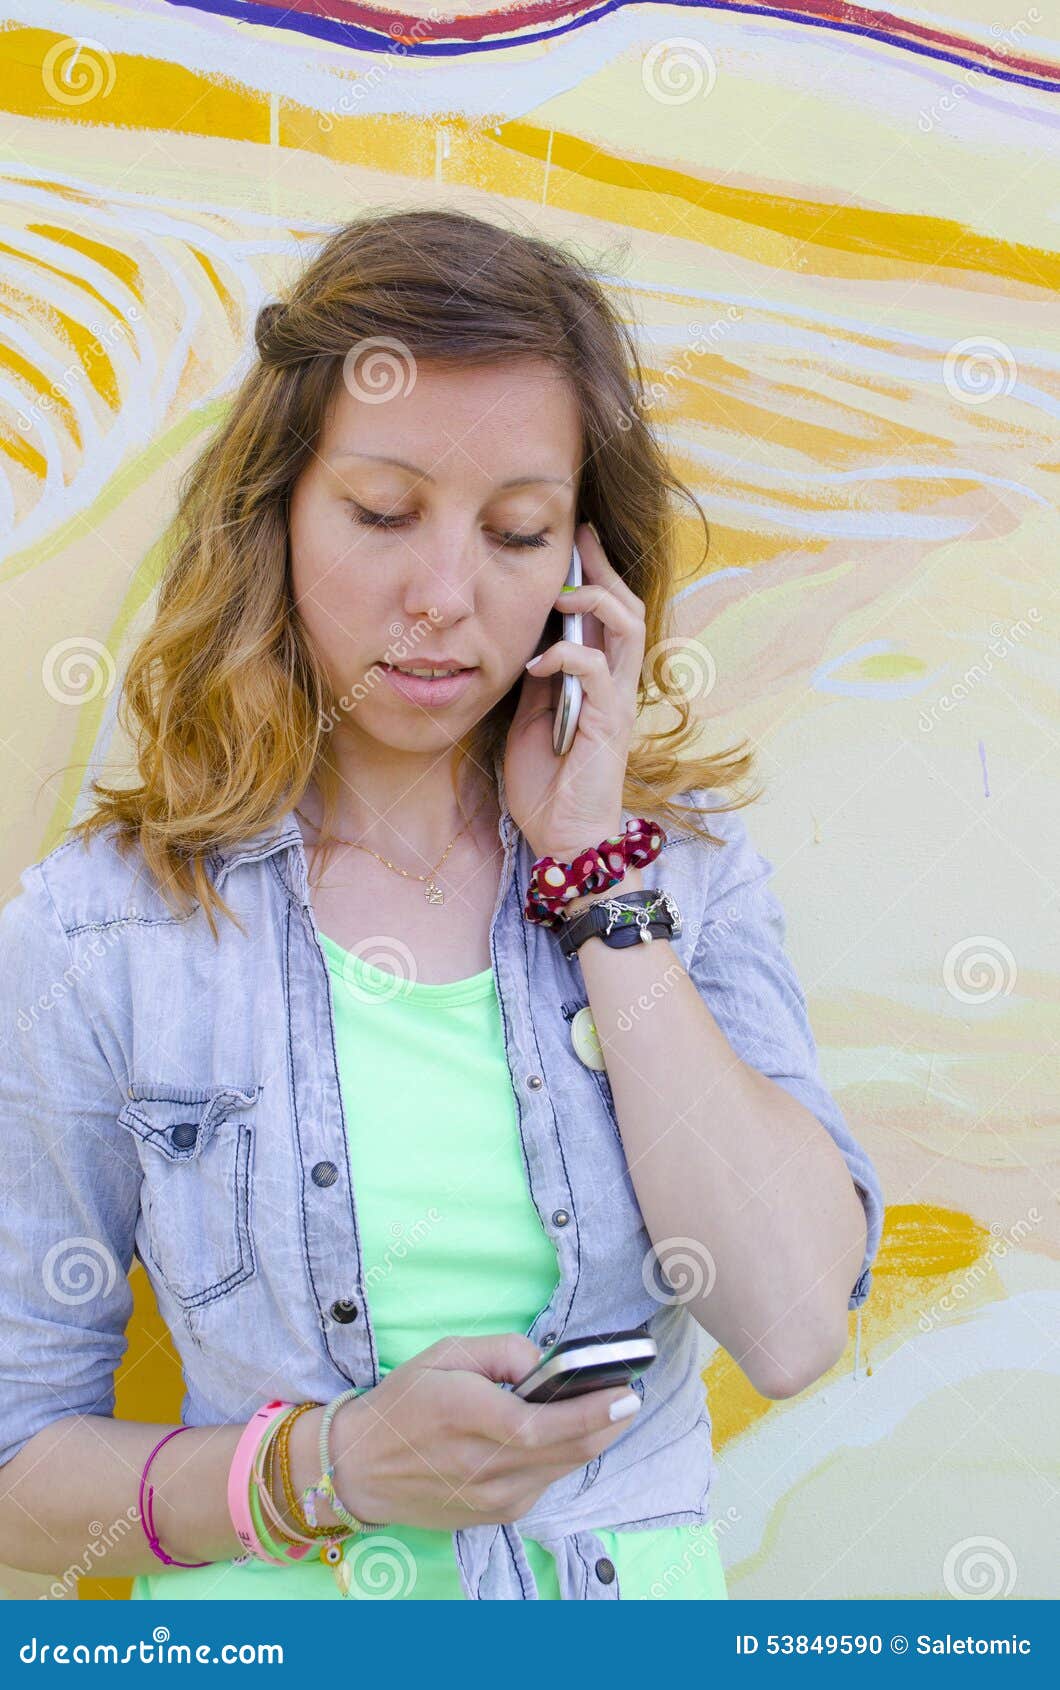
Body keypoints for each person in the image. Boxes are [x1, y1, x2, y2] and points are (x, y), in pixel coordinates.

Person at [0, 208, 883, 1600]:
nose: (445, 596)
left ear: (585, 572)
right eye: (383, 513)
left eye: (517, 530)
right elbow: (18, 1478)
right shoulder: (101, 934)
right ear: (276, 511)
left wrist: (593, 866)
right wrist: (324, 1468)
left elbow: (785, 1321)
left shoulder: (686, 880)